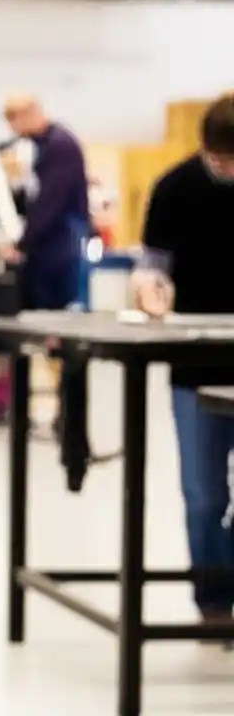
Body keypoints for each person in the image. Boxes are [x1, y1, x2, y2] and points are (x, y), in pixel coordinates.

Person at [133, 93, 234, 629]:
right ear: (203, 148)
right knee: (203, 494)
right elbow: (152, 268)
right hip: (194, 366)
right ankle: (214, 602)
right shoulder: (174, 189)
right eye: (221, 162)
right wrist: (148, 292)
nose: (229, 170)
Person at [2, 94, 90, 311]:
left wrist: (22, 244)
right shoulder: (40, 146)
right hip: (51, 238)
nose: (12, 128)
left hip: (60, 240)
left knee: (52, 309)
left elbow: (50, 202)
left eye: (13, 119)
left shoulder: (60, 146)